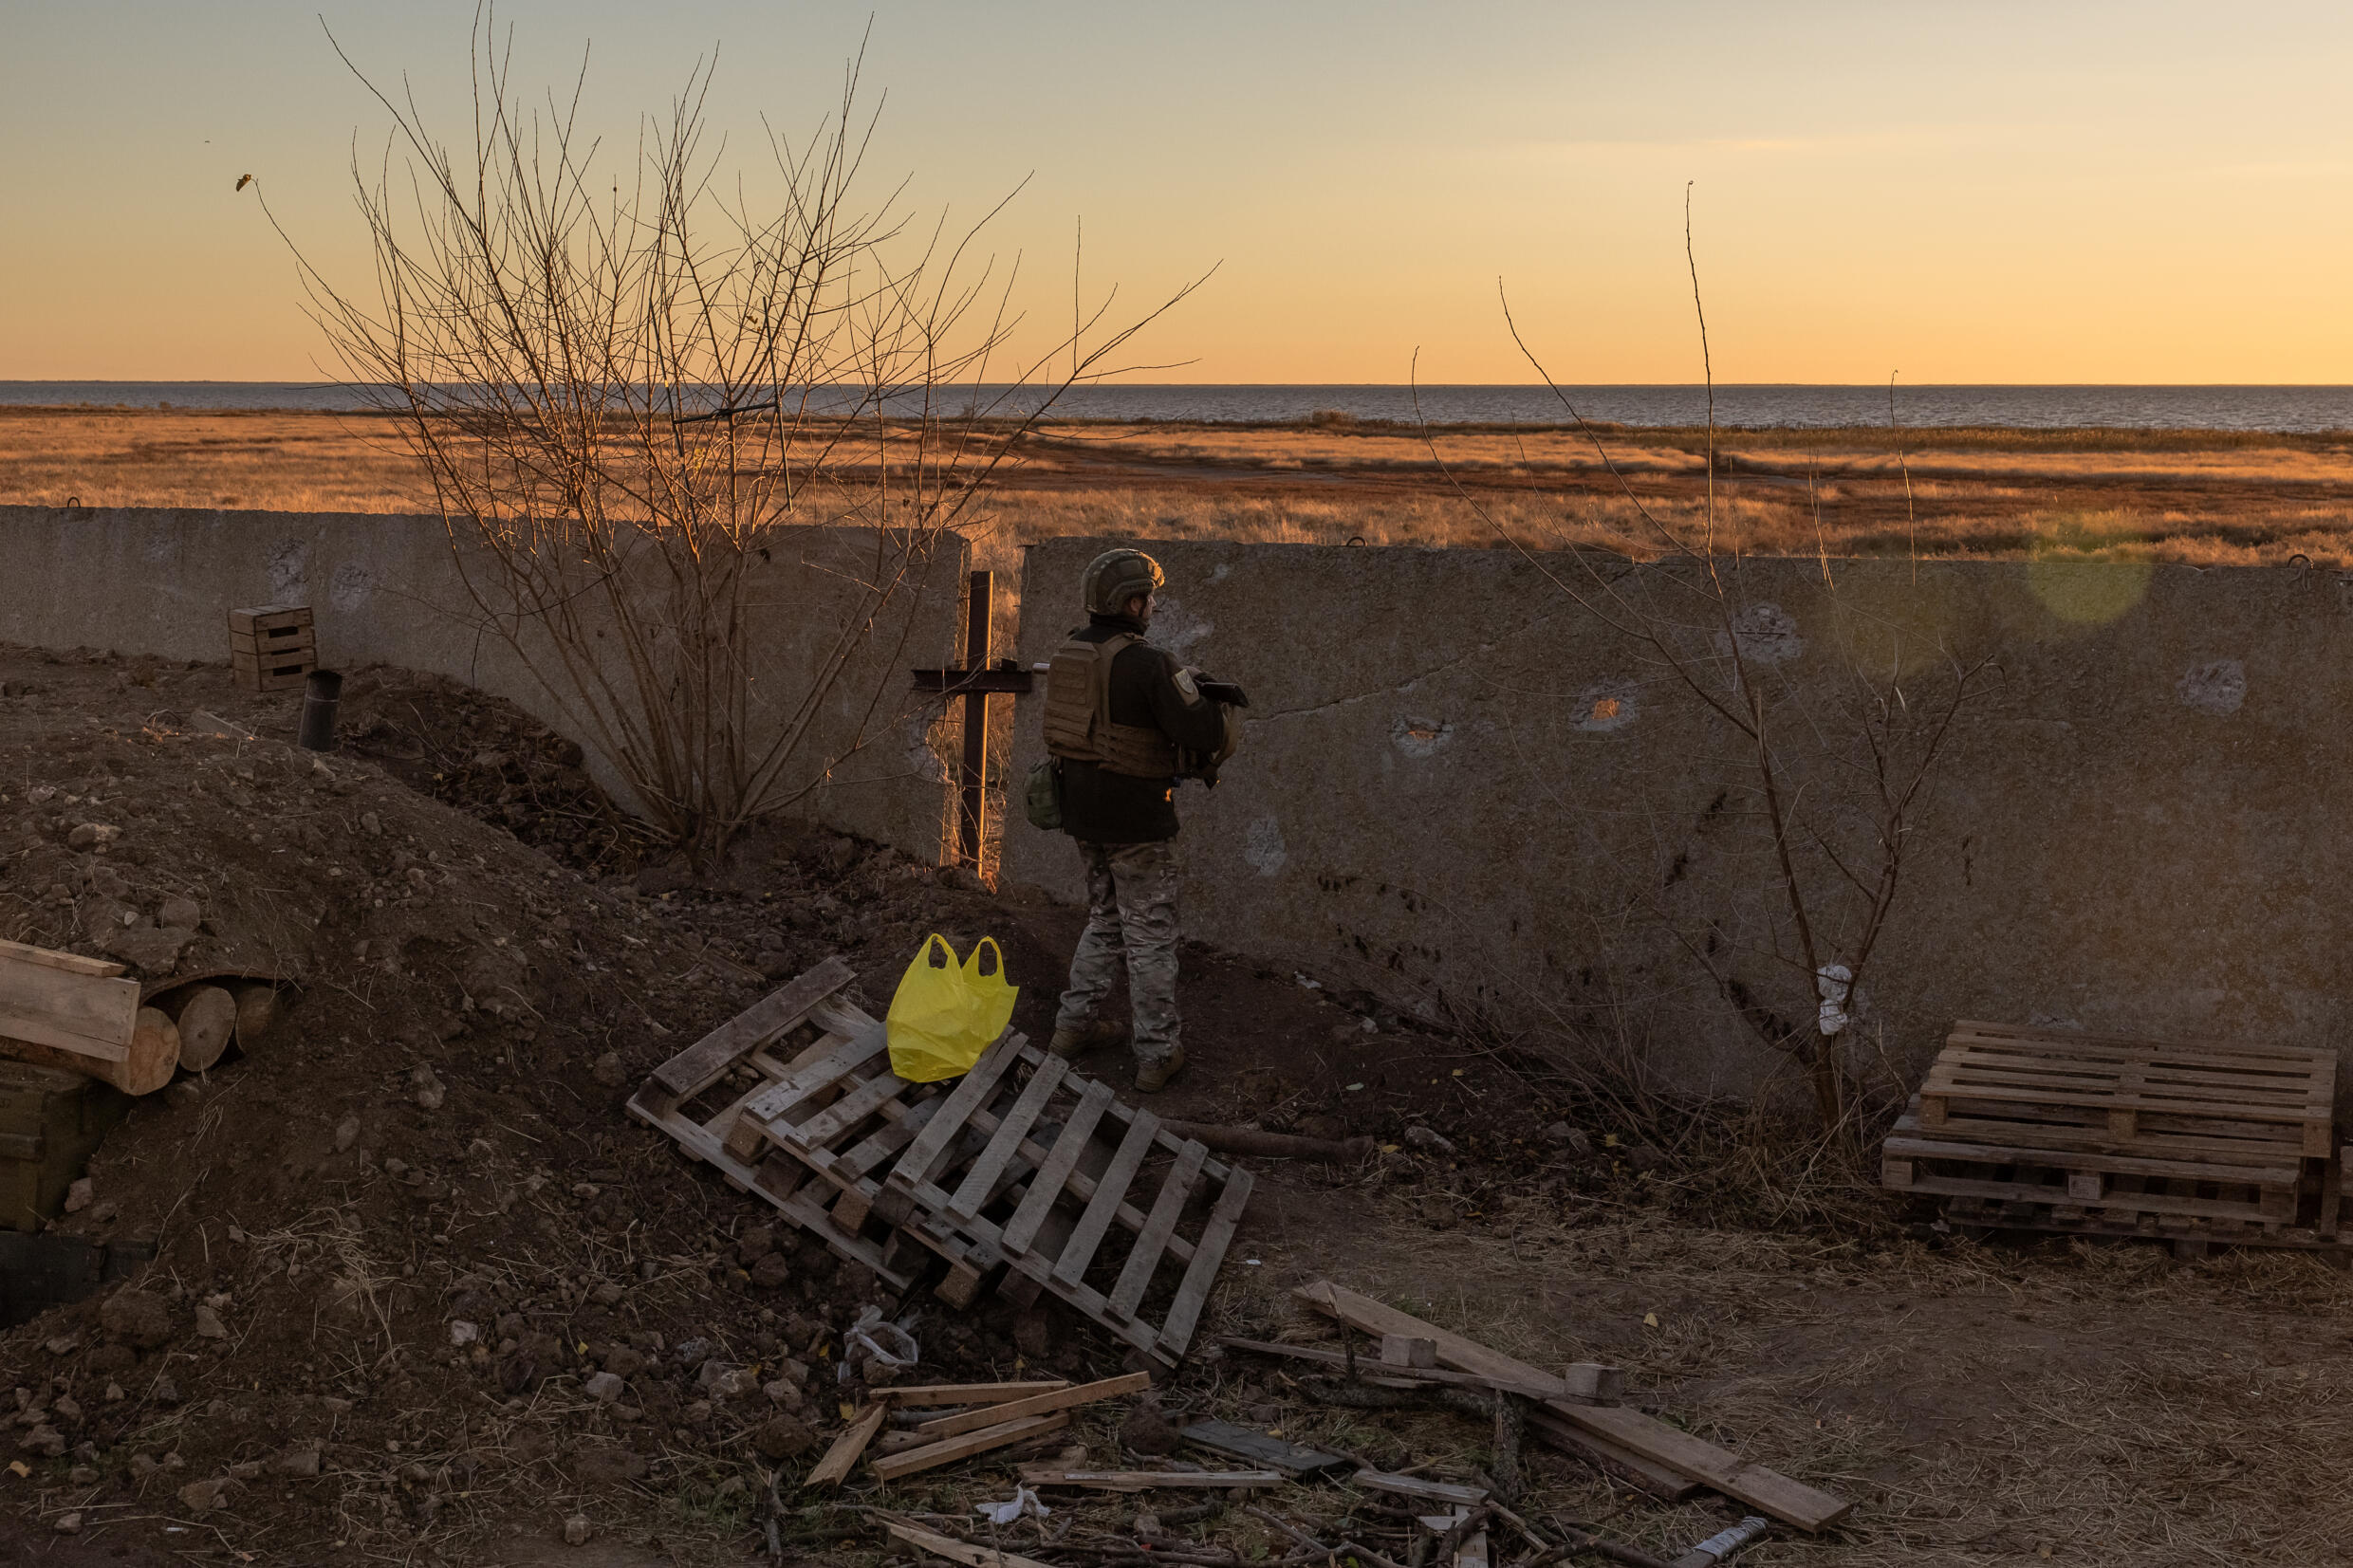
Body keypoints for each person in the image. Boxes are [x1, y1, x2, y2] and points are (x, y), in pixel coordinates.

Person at [1040, 547, 1237, 1092]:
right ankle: (1157, 1055)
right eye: (1148, 597)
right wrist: (1199, 694)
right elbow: (1204, 734)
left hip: (1081, 814)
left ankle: (1071, 1028)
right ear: (1131, 602)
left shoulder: (1068, 653)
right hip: (1139, 823)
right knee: (1150, 937)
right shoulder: (1152, 664)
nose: (1152, 606)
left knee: (1104, 920)